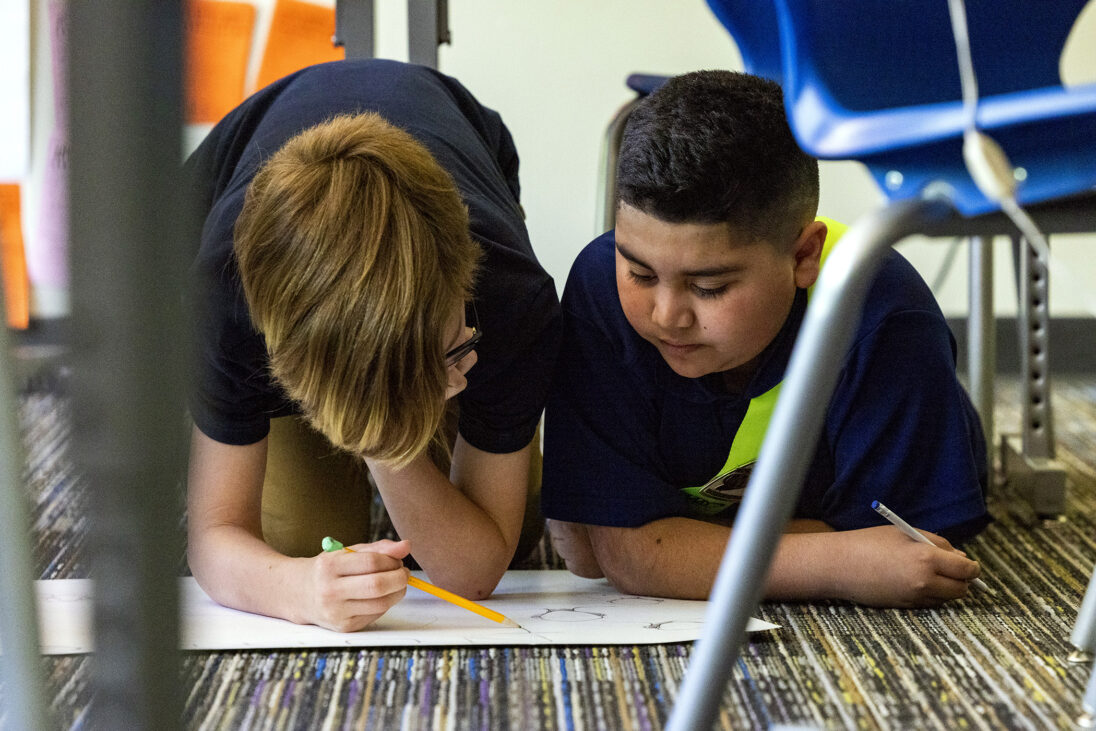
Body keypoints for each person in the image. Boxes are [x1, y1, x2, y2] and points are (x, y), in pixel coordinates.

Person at [541, 70, 990, 608]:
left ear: (804, 257)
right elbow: (621, 560)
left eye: (709, 287)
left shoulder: (885, 316)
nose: (667, 315)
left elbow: (911, 555)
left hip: (917, 427)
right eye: (640, 273)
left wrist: (673, 546)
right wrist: (839, 559)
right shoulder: (599, 284)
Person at [184, 59, 560, 632]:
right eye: (446, 358)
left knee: (523, 523)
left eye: (455, 344)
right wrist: (297, 590)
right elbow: (215, 538)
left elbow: (475, 571)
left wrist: (387, 437)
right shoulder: (224, 302)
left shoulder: (509, 292)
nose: (467, 355)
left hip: (455, 127)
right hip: (239, 212)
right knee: (299, 538)